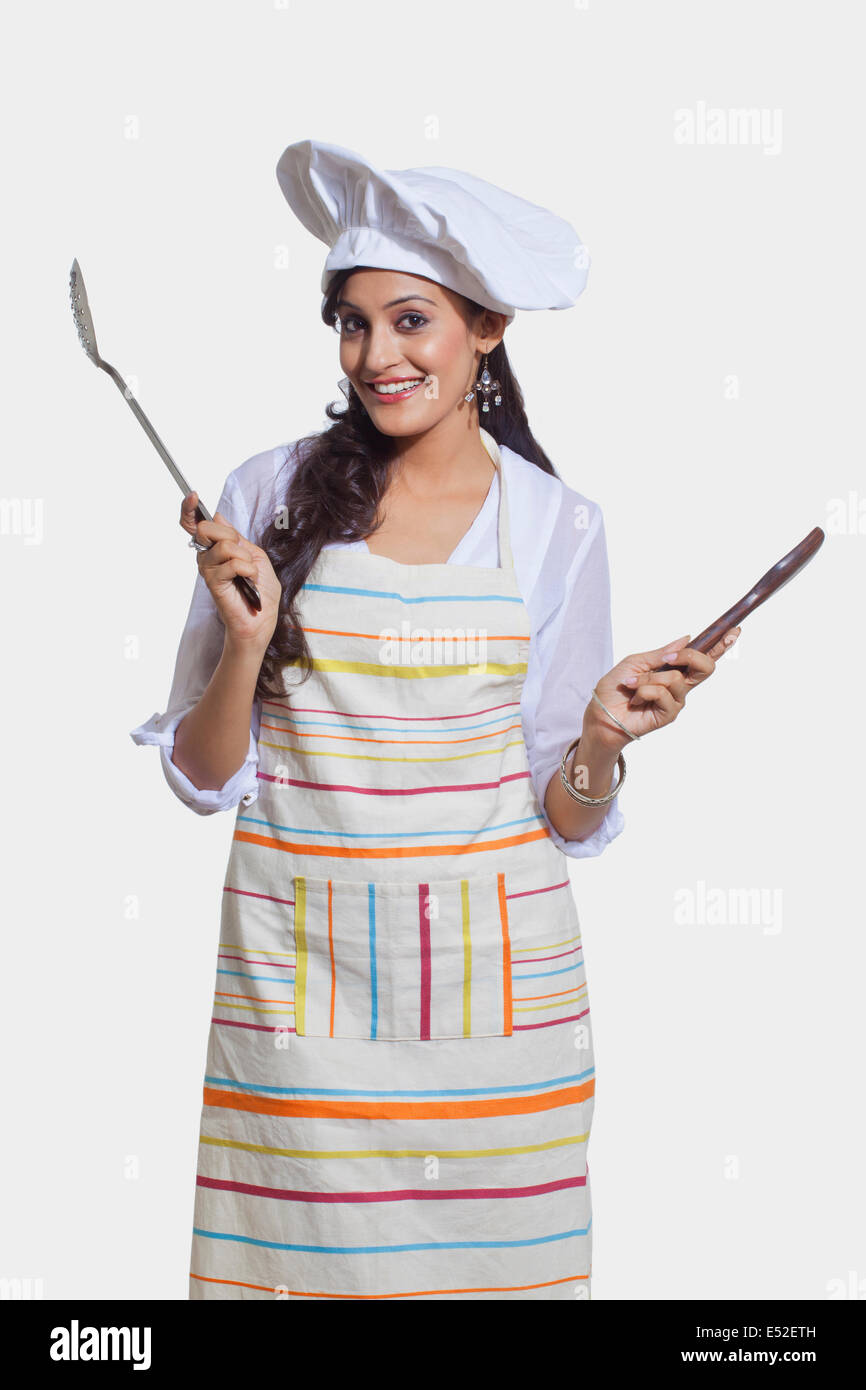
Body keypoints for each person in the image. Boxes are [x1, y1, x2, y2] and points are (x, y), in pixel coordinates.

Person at [130, 140, 740, 1301]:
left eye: (411, 322)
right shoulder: (266, 495)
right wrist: (246, 645)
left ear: (487, 330)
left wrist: (600, 743)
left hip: (495, 1011)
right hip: (296, 1003)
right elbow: (202, 778)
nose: (377, 356)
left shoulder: (555, 522)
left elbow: (563, 816)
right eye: (351, 325)